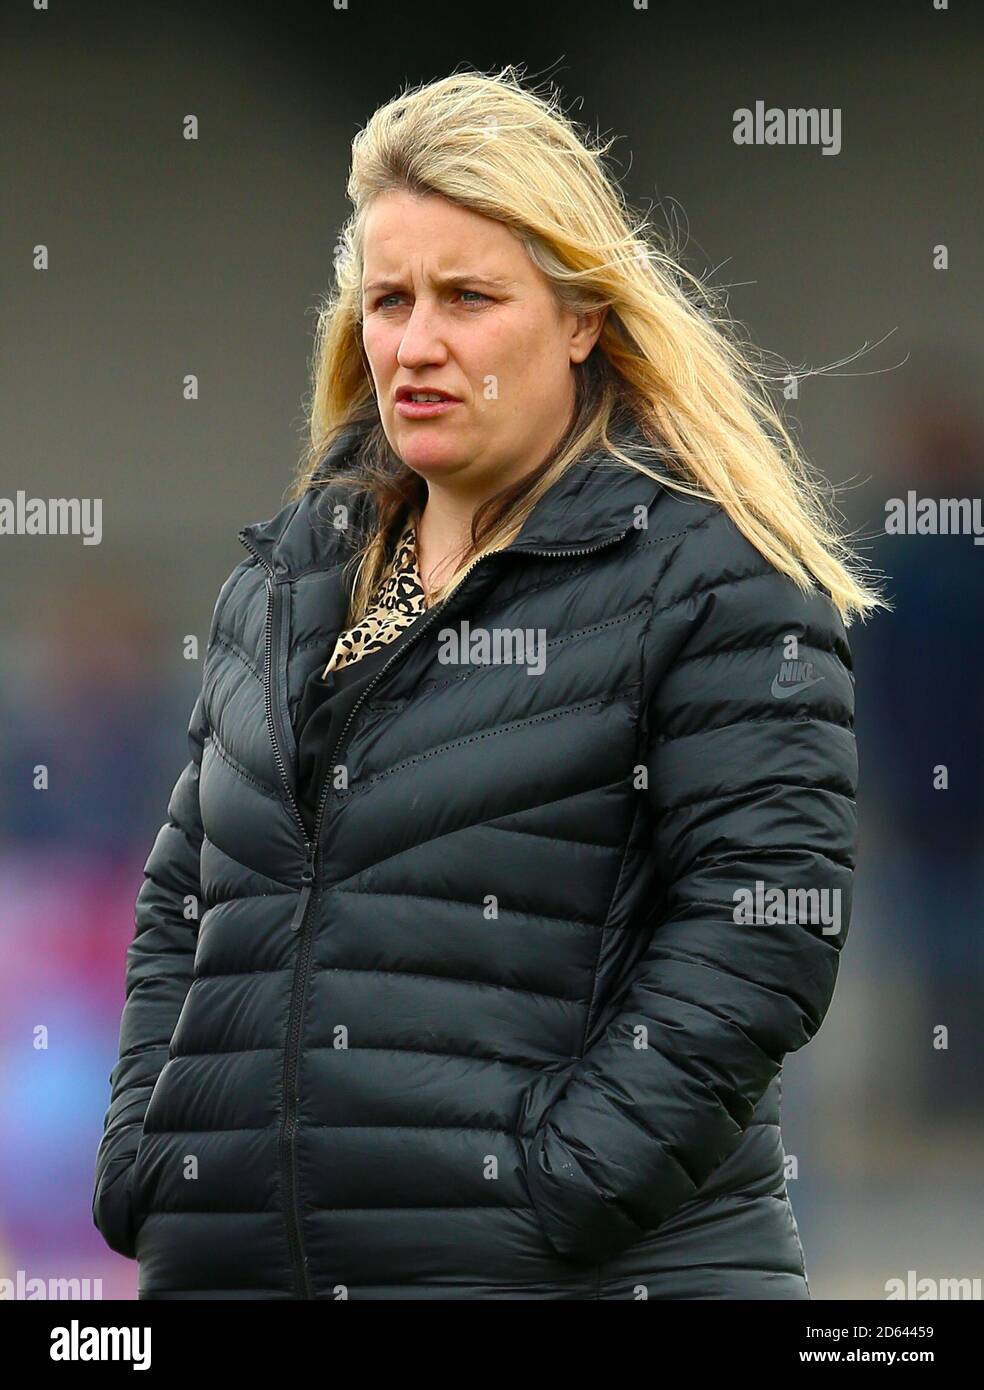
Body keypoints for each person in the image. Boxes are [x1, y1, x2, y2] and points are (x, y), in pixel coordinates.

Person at [92, 66, 883, 1300]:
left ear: (579, 317)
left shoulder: (717, 577)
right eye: (389, 299)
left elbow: (764, 932)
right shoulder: (287, 577)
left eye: (469, 297)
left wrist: (545, 1192)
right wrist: (153, 1158)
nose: (416, 344)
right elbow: (182, 904)